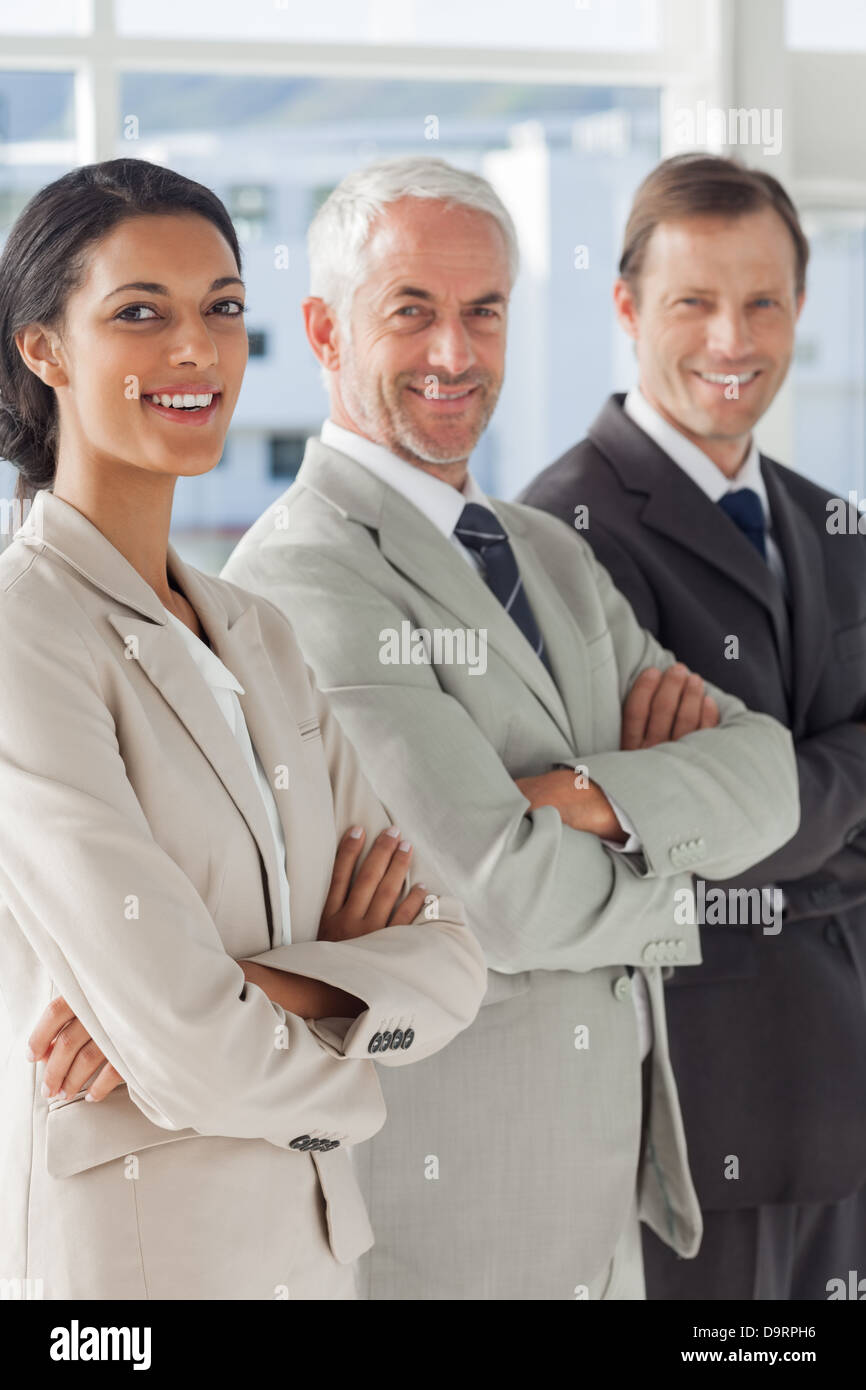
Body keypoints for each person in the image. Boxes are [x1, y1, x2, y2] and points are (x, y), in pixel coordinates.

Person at [220, 156, 800, 1299]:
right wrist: (668, 853)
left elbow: (768, 772)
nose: (454, 351)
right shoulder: (300, 578)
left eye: (482, 311)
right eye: (411, 311)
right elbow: (494, 895)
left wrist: (581, 797)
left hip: (602, 1211)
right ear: (325, 332)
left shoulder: (548, 552)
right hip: (447, 1221)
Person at [0, 157, 487, 1302]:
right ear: (45, 350)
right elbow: (186, 1045)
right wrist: (349, 1017)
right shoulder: (24, 632)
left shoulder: (254, 632)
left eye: (221, 308)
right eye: (140, 313)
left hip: (309, 1256)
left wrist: (266, 986)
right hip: (133, 1270)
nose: (196, 349)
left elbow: (451, 961)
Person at [520, 153, 866, 1300]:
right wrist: (763, 802)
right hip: (688, 1108)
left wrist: (738, 790)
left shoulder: (832, 523)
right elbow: (644, 835)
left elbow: (727, 813)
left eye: (761, 301)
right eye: (692, 302)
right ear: (625, 308)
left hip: (842, 1095)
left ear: (799, 305)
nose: (732, 338)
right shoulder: (559, 535)